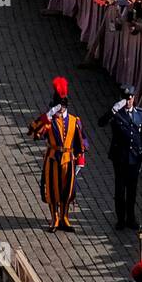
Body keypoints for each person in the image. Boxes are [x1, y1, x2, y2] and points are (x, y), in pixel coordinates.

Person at [28, 76, 87, 231]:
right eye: (58, 105)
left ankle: (64, 218)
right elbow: (34, 131)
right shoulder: (50, 121)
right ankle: (54, 219)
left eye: (63, 105)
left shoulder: (75, 120)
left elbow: (82, 141)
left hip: (68, 159)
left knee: (67, 191)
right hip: (53, 159)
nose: (61, 108)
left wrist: (80, 160)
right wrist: (47, 115)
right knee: (53, 190)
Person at [98, 83, 142, 230]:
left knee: (132, 191)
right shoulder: (117, 113)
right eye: (126, 98)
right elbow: (101, 123)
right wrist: (113, 110)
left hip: (134, 158)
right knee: (120, 190)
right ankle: (120, 219)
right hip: (120, 157)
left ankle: (131, 218)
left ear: (134, 98)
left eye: (130, 98)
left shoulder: (140, 113)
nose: (128, 101)